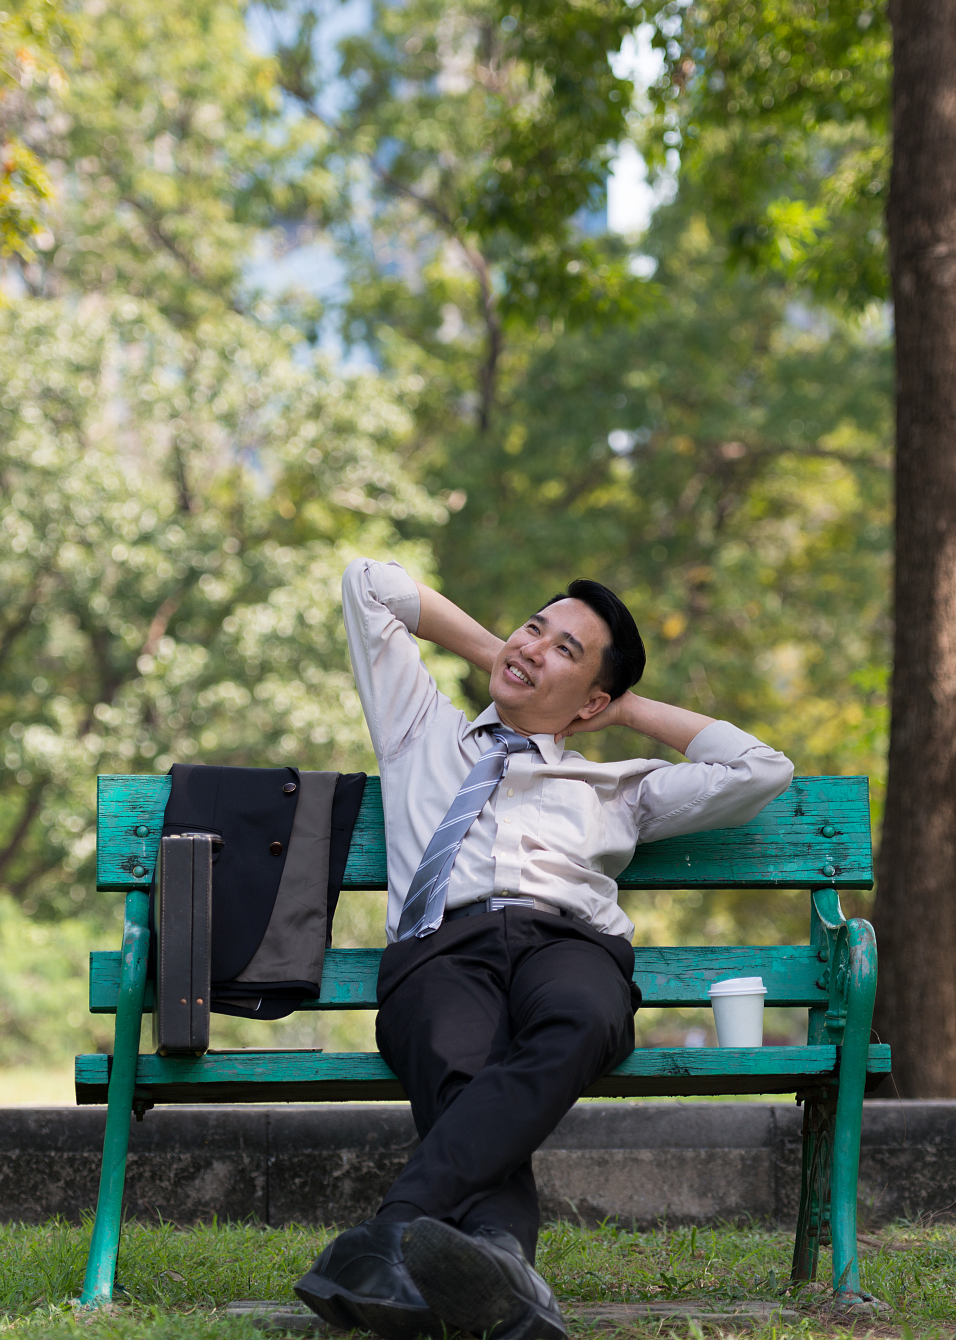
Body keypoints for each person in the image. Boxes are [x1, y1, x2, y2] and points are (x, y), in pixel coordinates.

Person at [292, 559, 794, 1340]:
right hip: (441, 948)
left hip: (569, 941)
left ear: (593, 698)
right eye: (537, 624)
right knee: (457, 1060)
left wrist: (626, 712)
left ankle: (392, 1231)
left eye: (567, 649)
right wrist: (509, 653)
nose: (535, 645)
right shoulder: (417, 726)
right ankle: (504, 1267)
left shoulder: (619, 786)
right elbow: (368, 583)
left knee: (581, 1016)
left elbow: (763, 770)